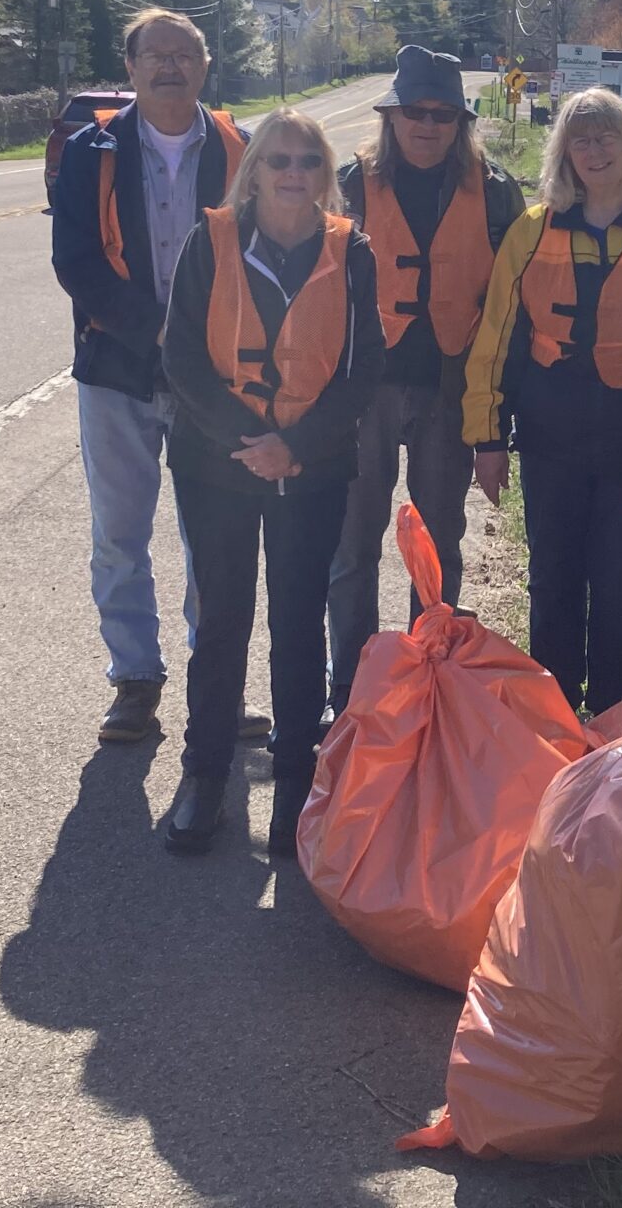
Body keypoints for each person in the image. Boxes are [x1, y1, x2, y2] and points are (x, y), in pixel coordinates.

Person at [157, 108, 385, 854]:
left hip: (311, 469)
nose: (293, 174)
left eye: (307, 162)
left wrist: (295, 448)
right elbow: (182, 356)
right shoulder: (211, 239)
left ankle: (295, 782)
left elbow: (362, 372)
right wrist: (247, 441)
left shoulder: (353, 253)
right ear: (253, 170)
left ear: (326, 176)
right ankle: (205, 775)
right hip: (217, 462)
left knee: (296, 622)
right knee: (221, 618)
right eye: (279, 160)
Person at [464, 88, 622, 714]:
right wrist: (488, 438)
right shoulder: (532, 229)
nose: (594, 150)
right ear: (563, 151)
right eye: (581, 138)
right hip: (551, 433)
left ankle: (618, 720)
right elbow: (497, 340)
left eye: (607, 137)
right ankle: (558, 716)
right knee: (553, 577)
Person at [50, 8, 246, 746]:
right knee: (120, 533)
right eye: (153, 55)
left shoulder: (239, 149)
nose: (169, 66)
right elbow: (75, 261)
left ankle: (214, 680)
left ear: (205, 65)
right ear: (128, 69)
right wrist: (156, 330)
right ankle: (135, 681)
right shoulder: (89, 152)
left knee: (215, 535)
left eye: (184, 53)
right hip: (117, 370)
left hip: (217, 377)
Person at [326, 45, 523, 714]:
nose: (430, 125)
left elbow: (511, 310)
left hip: (450, 389)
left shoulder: (496, 192)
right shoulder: (350, 184)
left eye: (444, 114)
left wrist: (497, 420)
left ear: (461, 122)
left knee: (439, 543)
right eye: (417, 111)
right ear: (392, 116)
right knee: (352, 543)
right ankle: (349, 685)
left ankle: (428, 677)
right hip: (363, 392)